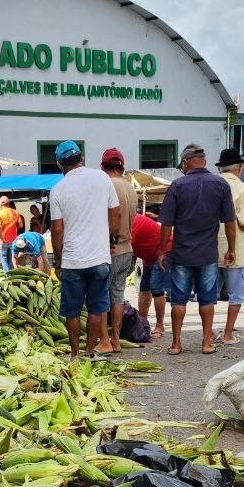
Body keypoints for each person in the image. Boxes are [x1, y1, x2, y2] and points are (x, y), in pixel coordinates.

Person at [157, 144, 237, 355]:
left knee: (179, 299)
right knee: (207, 298)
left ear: (185, 163)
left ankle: (176, 344)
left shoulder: (177, 186)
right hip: (208, 254)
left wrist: (162, 250)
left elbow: (166, 224)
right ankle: (206, 343)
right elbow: (229, 221)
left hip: (182, 253)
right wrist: (231, 248)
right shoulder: (220, 184)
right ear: (204, 160)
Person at [49, 140, 119, 358]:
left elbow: (57, 229)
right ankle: (90, 351)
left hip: (72, 261)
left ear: (60, 165)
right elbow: (115, 213)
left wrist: (58, 260)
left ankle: (74, 354)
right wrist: (110, 238)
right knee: (96, 308)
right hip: (99, 258)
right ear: (82, 158)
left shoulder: (58, 189)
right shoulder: (102, 178)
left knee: (72, 310)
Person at [215, 148, 244, 345]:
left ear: (221, 168)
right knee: (236, 294)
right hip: (235, 249)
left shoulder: (212, 186)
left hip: (210, 248)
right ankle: (228, 333)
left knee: (208, 294)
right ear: (239, 168)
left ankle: (207, 333)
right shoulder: (243, 188)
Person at [102, 148, 138, 354]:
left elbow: (111, 217)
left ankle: (104, 340)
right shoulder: (130, 187)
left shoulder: (107, 185)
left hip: (111, 247)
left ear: (103, 167)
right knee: (117, 296)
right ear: (122, 167)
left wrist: (108, 238)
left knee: (100, 297)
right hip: (127, 248)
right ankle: (116, 339)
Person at [131, 210, 168, 336]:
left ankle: (160, 326)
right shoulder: (129, 219)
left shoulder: (133, 222)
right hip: (149, 256)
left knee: (157, 289)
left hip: (164, 251)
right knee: (144, 287)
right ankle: (142, 323)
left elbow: (126, 247)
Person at [0, 196, 23, 271]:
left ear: (0, 204)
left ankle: (7, 275)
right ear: (9, 203)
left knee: (4, 259)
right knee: (12, 258)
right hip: (13, 240)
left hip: (3, 240)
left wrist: (0, 237)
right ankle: (11, 274)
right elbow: (21, 225)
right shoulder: (15, 212)